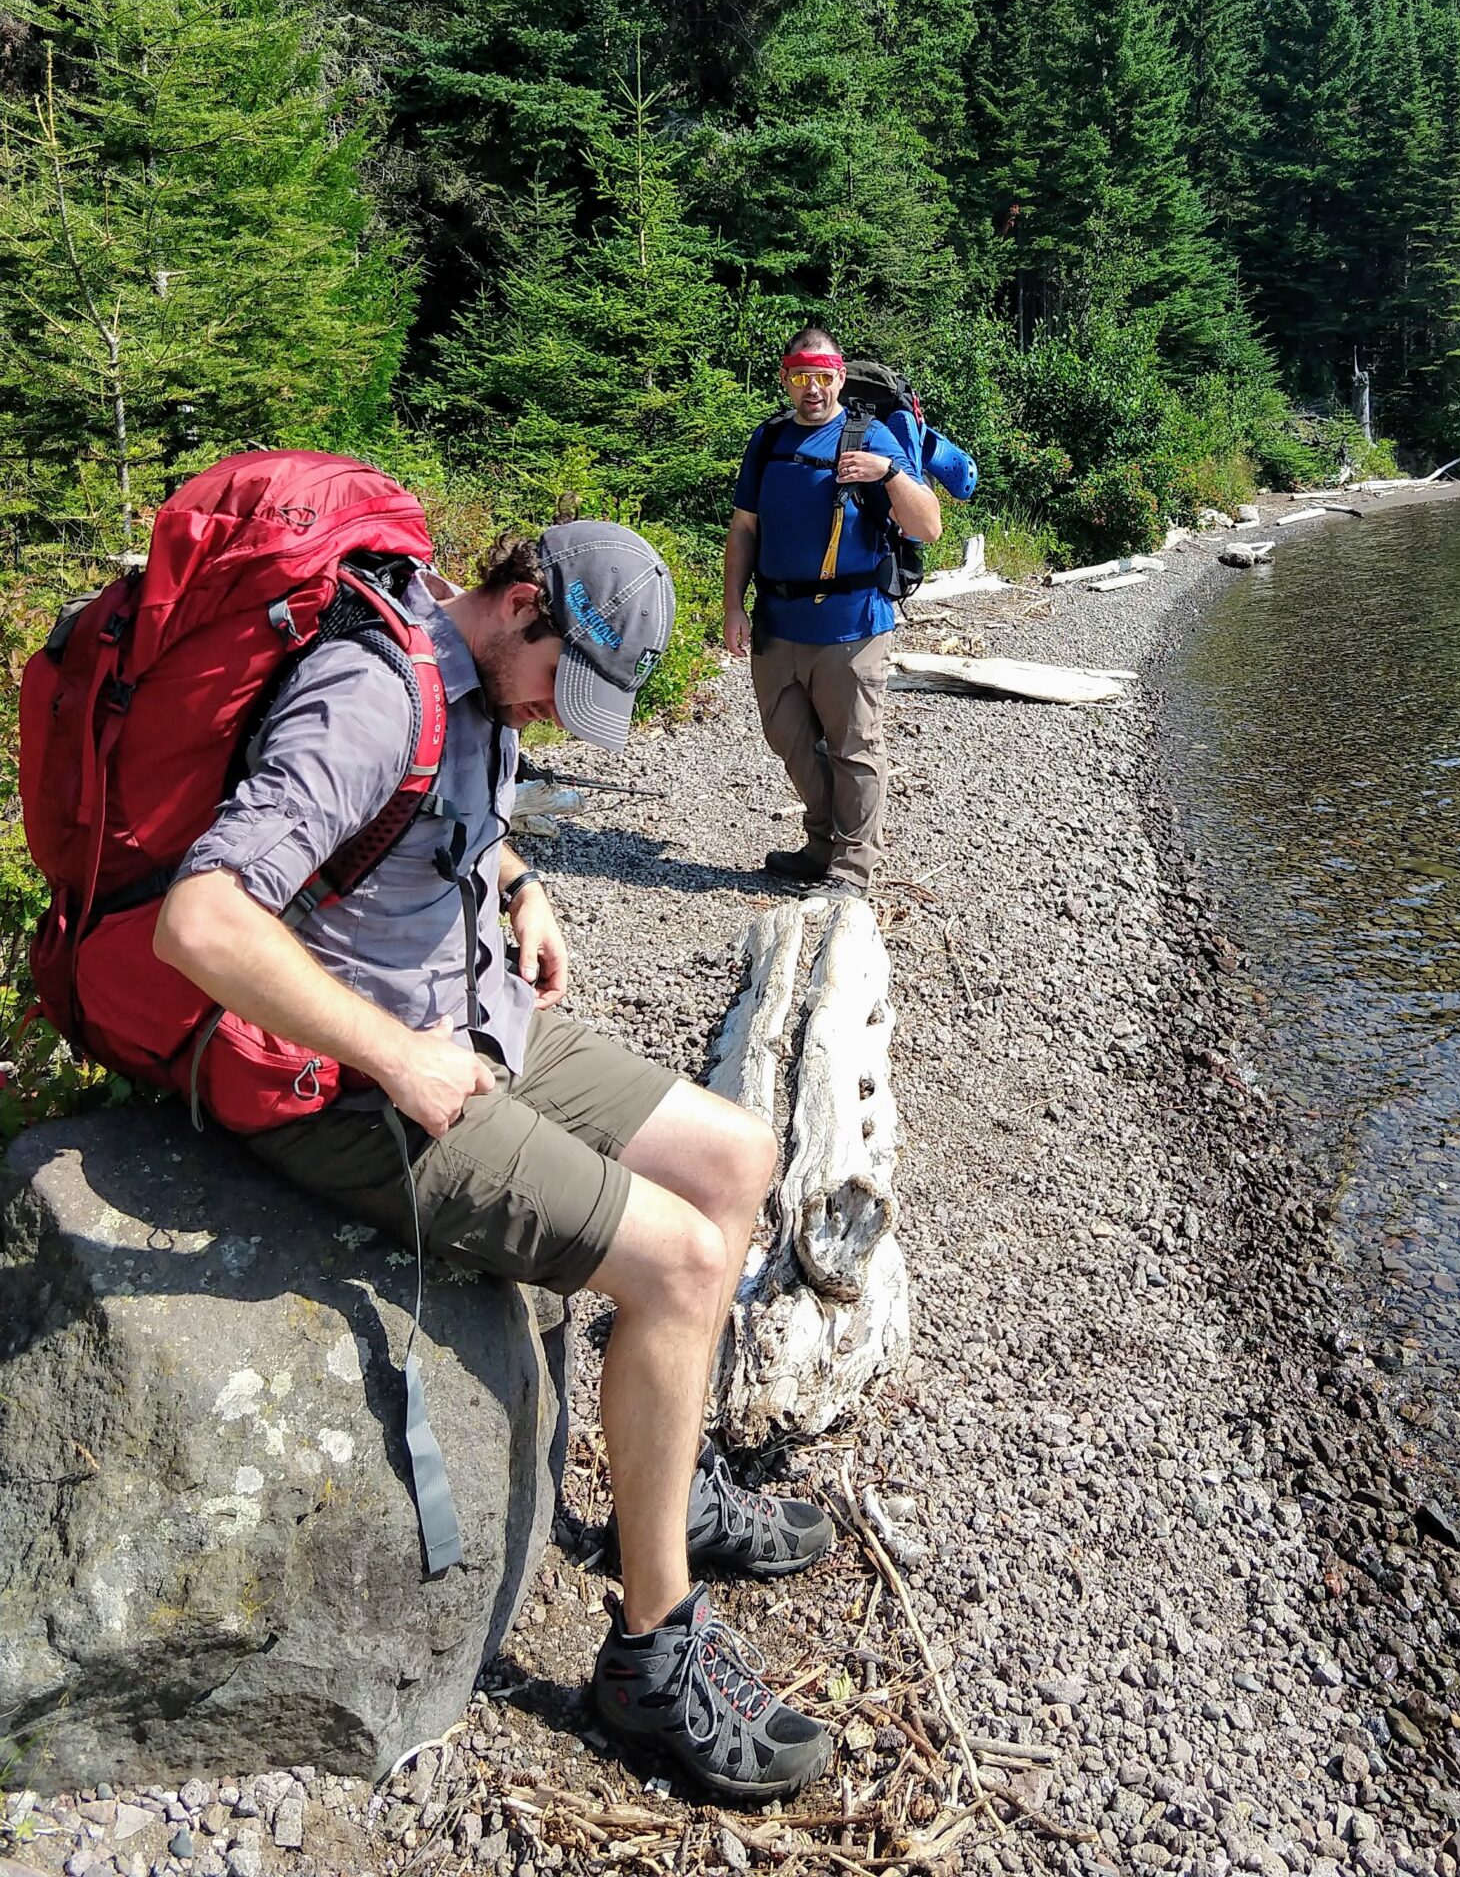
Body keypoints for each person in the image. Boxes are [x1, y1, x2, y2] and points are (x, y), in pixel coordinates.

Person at [151, 521, 838, 1804]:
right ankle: (648, 1656)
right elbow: (203, 918)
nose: (561, 721)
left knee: (738, 1157)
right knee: (685, 1263)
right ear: (521, 603)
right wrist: (396, 1059)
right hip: (351, 1082)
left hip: (473, 1015)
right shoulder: (371, 691)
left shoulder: (473, 674)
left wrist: (519, 879)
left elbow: (442, 810)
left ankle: (667, 1485)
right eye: (559, 683)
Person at [724, 327, 942, 895]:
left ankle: (851, 867)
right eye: (802, 377)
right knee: (788, 736)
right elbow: (745, 529)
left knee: (854, 747)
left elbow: (928, 525)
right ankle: (822, 841)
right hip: (778, 619)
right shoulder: (768, 440)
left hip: (854, 622)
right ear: (786, 380)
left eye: (823, 377)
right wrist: (733, 607)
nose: (813, 389)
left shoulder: (870, 439)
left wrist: (889, 474)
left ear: (840, 377)